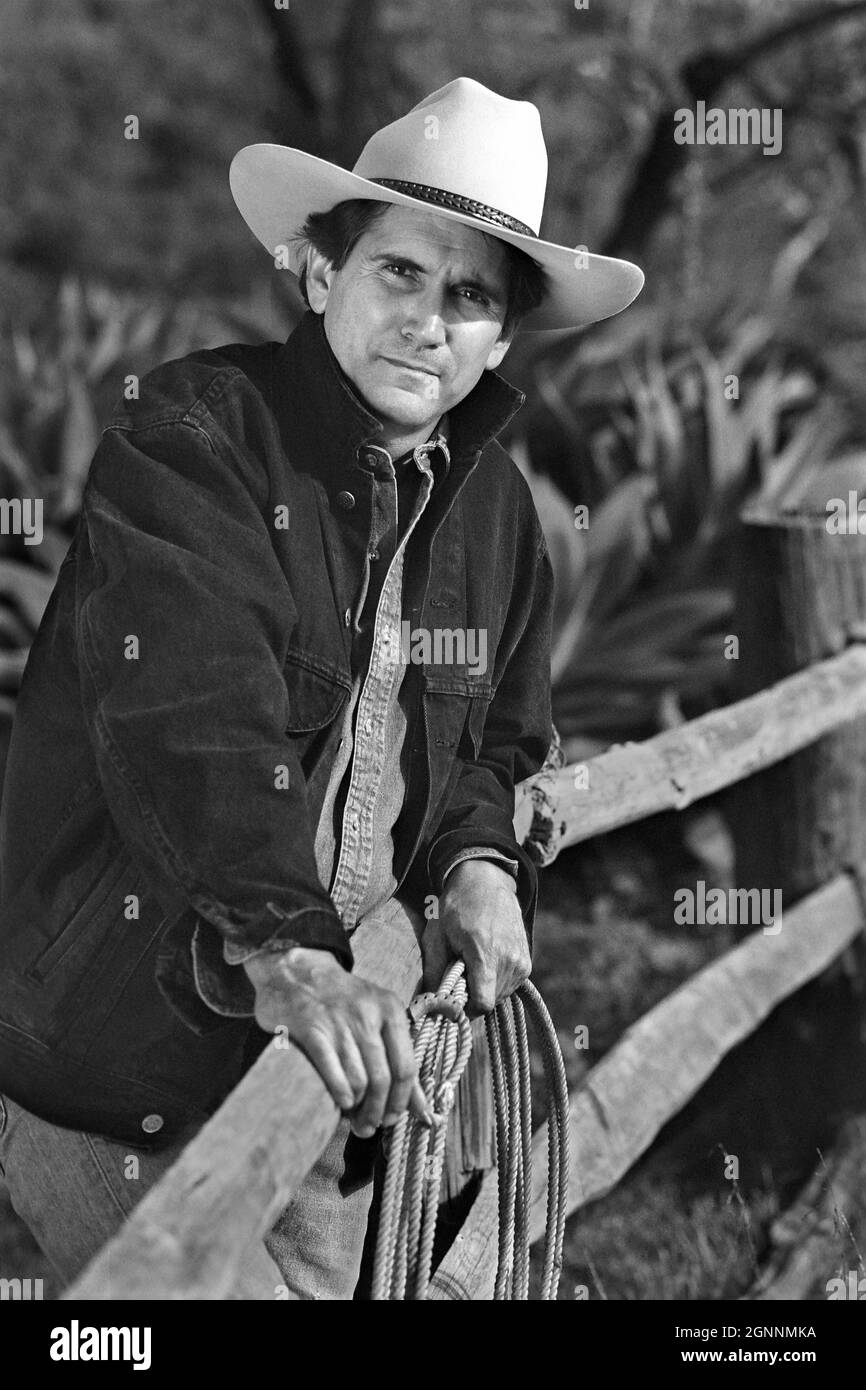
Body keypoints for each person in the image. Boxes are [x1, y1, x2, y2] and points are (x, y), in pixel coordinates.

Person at [0, 77, 642, 1298]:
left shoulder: (497, 512)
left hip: (346, 1056)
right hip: (116, 1056)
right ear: (319, 275)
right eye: (399, 272)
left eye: (467, 297)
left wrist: (479, 861)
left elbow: (493, 741)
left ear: (500, 338)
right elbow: (193, 721)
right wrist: (291, 951)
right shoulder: (197, 438)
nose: (427, 321)